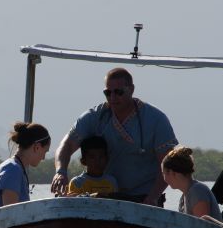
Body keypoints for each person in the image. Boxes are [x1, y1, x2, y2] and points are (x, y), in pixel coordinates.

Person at [50, 67, 178, 205]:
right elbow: (66, 145)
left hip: (145, 198)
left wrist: (152, 197)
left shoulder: (156, 119)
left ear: (131, 89)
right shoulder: (95, 116)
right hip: (106, 199)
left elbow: (167, 166)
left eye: (118, 92)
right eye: (108, 92)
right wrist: (61, 171)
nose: (112, 97)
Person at [0, 122, 51, 210]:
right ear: (37, 147)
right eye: (45, 151)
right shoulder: (13, 170)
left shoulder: (11, 166)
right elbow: (12, 216)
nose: (43, 157)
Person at [161, 145, 222, 221]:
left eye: (163, 173)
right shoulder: (185, 197)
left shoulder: (197, 191)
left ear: (172, 173)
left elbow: (204, 227)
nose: (164, 179)